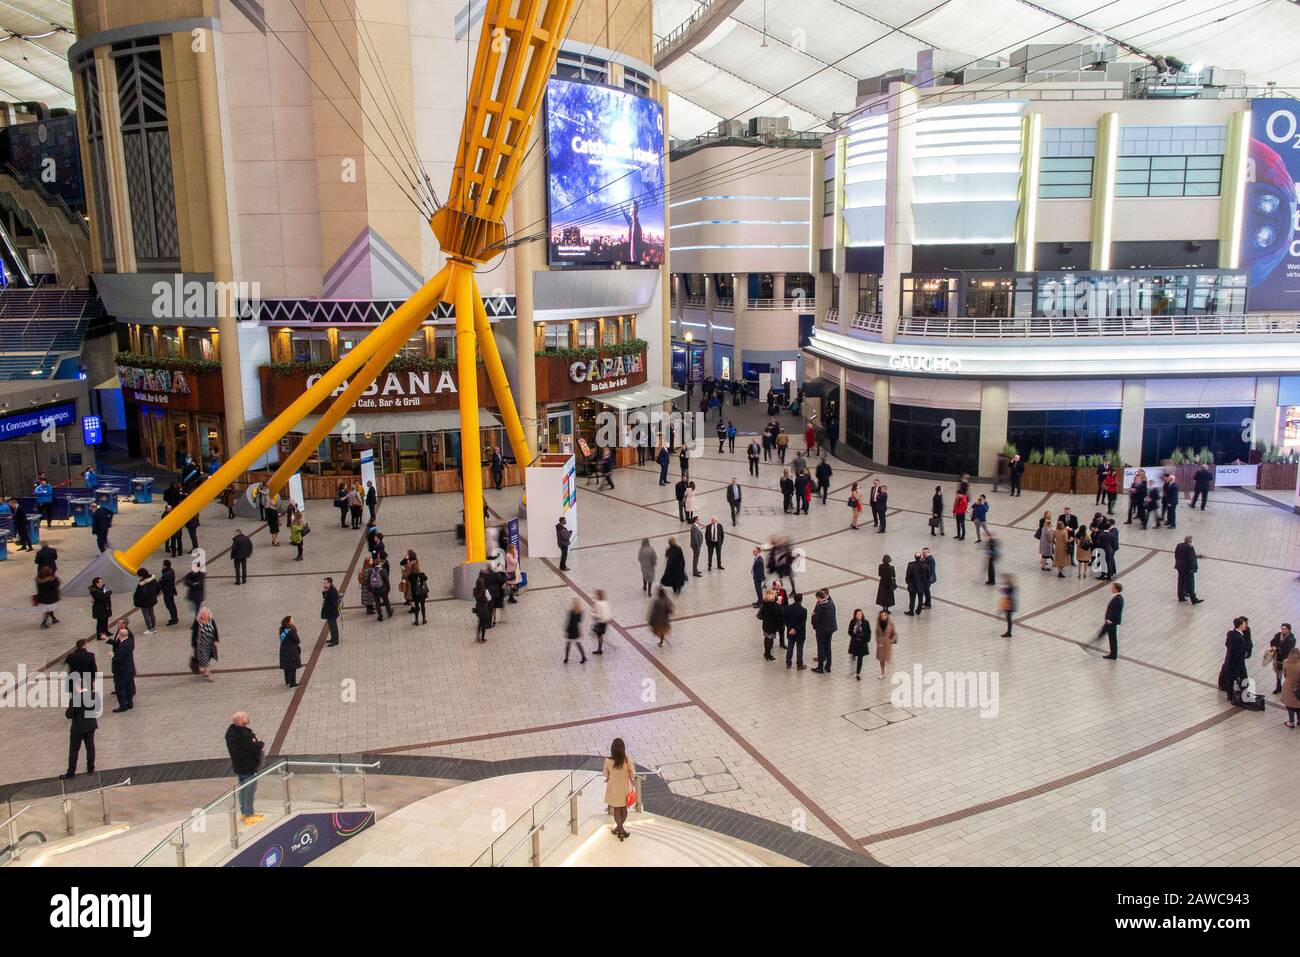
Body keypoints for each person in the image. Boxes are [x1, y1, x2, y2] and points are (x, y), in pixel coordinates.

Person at [225, 712, 266, 825]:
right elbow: (254, 747)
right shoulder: (244, 735)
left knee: (243, 788)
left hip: (239, 765)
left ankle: (244, 812)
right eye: (245, 717)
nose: (247, 718)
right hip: (249, 766)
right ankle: (249, 814)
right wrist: (260, 744)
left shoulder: (230, 732)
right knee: (250, 790)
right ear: (240, 721)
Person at [61, 663, 98, 780]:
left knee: (74, 750)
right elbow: (96, 708)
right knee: (90, 747)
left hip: (78, 728)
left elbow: (68, 715)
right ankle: (91, 768)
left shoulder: (75, 699)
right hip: (91, 725)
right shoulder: (93, 695)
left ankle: (71, 772)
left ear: (78, 687)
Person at [603, 737, 635, 841]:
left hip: (614, 789)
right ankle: (621, 830)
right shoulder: (627, 760)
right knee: (624, 809)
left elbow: (605, 773)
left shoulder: (608, 760)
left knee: (617, 809)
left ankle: (619, 829)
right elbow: (632, 774)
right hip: (625, 788)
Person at [104, 621, 136, 712]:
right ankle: (129, 703)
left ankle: (123, 706)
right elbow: (119, 644)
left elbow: (119, 659)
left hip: (121, 670)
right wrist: (108, 640)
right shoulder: (128, 641)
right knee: (128, 686)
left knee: (120, 688)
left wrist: (112, 655)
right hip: (129, 668)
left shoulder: (123, 646)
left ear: (121, 636)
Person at [1218, 617, 1252, 702]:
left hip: (1229, 660)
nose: (1246, 626)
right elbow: (1239, 652)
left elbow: (1227, 644)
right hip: (1238, 662)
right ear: (1240, 625)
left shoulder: (1230, 633)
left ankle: (1230, 695)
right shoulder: (1240, 638)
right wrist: (1244, 654)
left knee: (1230, 678)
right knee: (1244, 678)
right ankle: (1244, 696)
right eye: (1244, 624)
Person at [810, 589, 837, 674]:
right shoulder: (831, 603)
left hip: (821, 630)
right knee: (828, 647)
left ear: (818, 597)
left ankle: (820, 667)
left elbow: (816, 619)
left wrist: (813, 616)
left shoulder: (819, 606)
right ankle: (828, 666)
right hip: (830, 629)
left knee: (821, 648)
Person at [1097, 582, 1123, 660]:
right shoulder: (1118, 597)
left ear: (1116, 589)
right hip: (1110, 622)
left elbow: (1115, 611)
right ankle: (1112, 653)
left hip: (1111, 622)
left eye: (1113, 588)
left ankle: (1113, 654)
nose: (1111, 589)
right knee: (1109, 636)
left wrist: (1109, 620)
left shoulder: (1117, 599)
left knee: (1112, 638)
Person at [1266, 624, 1295, 696]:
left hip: (1286, 659)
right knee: (1278, 673)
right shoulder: (1278, 635)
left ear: (1289, 630)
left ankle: (1288, 688)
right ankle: (1278, 687)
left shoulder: (1291, 639)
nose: (1283, 630)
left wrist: (1278, 648)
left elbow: (1289, 649)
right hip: (1278, 658)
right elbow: (1272, 642)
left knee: (1287, 675)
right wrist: (1274, 646)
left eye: (1285, 629)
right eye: (1282, 628)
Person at [1174, 535, 1204, 604]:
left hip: (1179, 567)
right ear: (1190, 541)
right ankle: (1194, 599)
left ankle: (1181, 597)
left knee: (1181, 582)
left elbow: (1176, 555)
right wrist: (1192, 569)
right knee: (1190, 583)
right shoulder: (1190, 548)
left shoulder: (1179, 545)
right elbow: (1191, 559)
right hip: (1187, 569)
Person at [192, 607, 219, 681]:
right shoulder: (198, 623)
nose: (204, 616)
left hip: (210, 644)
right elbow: (194, 634)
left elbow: (215, 630)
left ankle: (204, 670)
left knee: (208, 657)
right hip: (201, 644)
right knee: (204, 657)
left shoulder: (211, 620)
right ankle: (208, 673)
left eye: (205, 614)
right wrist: (193, 644)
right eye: (202, 614)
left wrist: (216, 640)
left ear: (208, 614)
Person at [784, 592, 807, 670]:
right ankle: (799, 665)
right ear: (801, 600)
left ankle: (788, 663)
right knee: (799, 649)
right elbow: (802, 623)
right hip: (800, 633)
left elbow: (786, 620)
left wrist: (790, 628)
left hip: (790, 632)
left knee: (790, 647)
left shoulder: (787, 608)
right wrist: (796, 629)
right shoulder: (803, 610)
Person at [758, 588, 783, 660]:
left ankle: (766, 653)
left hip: (765, 624)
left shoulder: (765, 602)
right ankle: (768, 654)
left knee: (766, 638)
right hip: (772, 625)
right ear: (771, 595)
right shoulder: (772, 604)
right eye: (774, 594)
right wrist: (779, 605)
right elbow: (776, 614)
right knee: (770, 639)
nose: (775, 595)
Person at [133, 568, 160, 634]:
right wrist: (154, 594)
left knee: (146, 615)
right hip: (152, 599)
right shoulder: (153, 579)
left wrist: (139, 601)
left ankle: (150, 629)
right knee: (152, 613)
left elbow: (142, 594)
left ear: (141, 575)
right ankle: (154, 628)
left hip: (144, 602)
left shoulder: (142, 583)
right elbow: (158, 587)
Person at [846, 609, 870, 680]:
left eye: (860, 614)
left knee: (860, 657)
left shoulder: (865, 622)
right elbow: (850, 631)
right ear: (855, 615)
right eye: (858, 614)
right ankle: (853, 655)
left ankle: (858, 673)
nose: (859, 616)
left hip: (862, 643)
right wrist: (854, 635)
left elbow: (868, 632)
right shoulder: (853, 622)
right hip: (855, 642)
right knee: (854, 654)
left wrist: (866, 639)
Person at [35, 564, 60, 629]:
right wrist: (56, 580)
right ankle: (43, 623)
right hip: (50, 598)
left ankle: (54, 619)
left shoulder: (38, 579)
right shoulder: (50, 580)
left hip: (42, 598)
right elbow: (55, 586)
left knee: (49, 610)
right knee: (48, 611)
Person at [874, 609, 896, 680]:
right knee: (881, 659)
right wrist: (878, 640)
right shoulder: (878, 624)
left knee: (888, 658)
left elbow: (894, 633)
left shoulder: (891, 624)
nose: (883, 617)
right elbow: (876, 632)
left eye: (884, 615)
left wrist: (891, 641)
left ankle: (890, 667)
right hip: (880, 644)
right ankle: (882, 672)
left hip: (887, 644)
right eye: (882, 616)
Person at [1282, 648, 1300, 727]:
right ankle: (1299, 720)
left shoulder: (1286, 662)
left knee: (1290, 705)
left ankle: (1291, 722)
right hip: (1298, 686)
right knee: (1298, 704)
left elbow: (1285, 674)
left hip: (1288, 685)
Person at [322, 577, 341, 646]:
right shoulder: (328, 589)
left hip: (332, 613)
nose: (324, 584)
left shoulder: (332, 591)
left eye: (325, 583)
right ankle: (333, 638)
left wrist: (328, 608)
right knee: (330, 626)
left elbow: (333, 604)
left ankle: (335, 640)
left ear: (329, 583)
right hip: (329, 612)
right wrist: (324, 592)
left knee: (333, 627)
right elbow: (325, 598)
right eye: (323, 583)